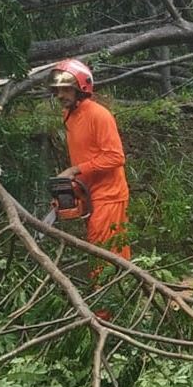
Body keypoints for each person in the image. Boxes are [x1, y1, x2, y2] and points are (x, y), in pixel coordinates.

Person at [49, 58, 131, 262]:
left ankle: (113, 284)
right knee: (98, 252)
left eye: (66, 89)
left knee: (106, 255)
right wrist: (71, 189)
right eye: (58, 90)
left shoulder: (99, 115)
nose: (60, 95)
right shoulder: (68, 115)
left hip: (108, 195)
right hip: (89, 192)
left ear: (81, 88)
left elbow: (115, 157)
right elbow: (85, 154)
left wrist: (74, 170)